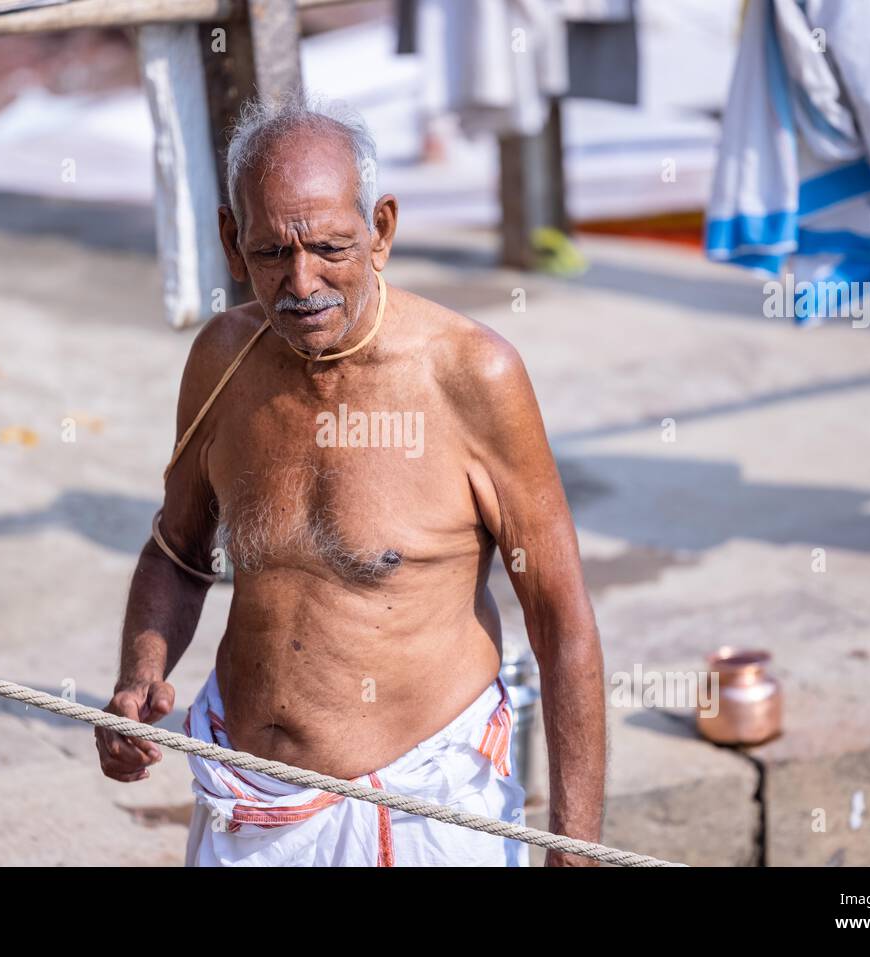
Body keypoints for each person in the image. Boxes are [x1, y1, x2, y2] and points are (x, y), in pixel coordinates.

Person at [96, 94, 605, 866]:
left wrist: (574, 845)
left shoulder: (473, 374)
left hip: (425, 805)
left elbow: (562, 621)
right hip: (250, 801)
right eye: (271, 253)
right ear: (233, 243)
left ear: (383, 231)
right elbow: (178, 549)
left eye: (331, 247)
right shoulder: (221, 360)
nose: (302, 284)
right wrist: (140, 674)